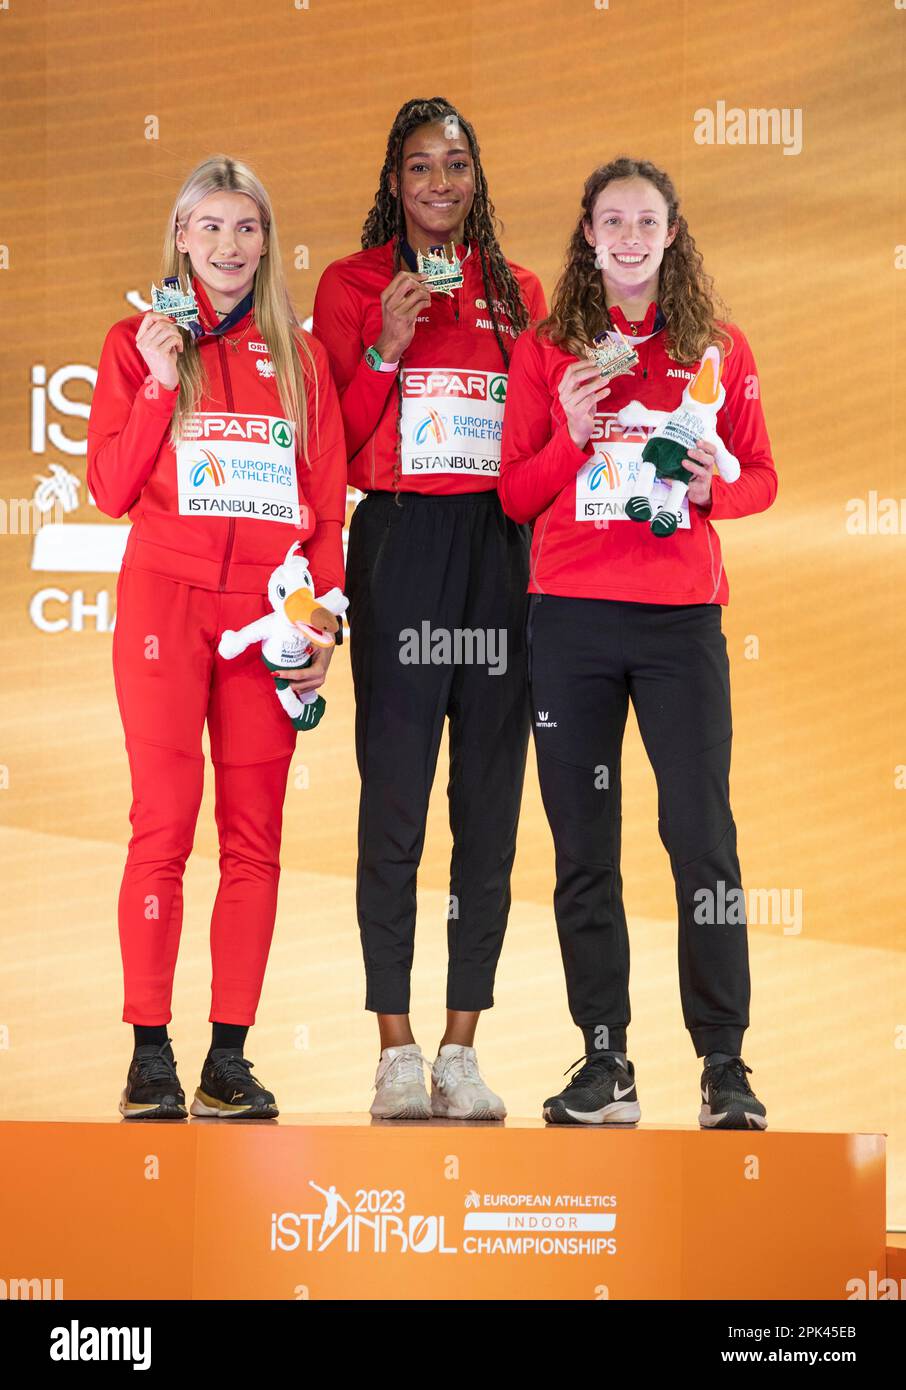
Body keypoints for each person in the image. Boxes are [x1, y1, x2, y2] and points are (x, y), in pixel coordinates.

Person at [499, 156, 776, 1130]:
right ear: (587, 232)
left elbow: (761, 479)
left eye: (644, 221)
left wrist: (710, 489)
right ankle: (605, 1061)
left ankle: (725, 1065)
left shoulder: (716, 347)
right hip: (570, 614)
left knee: (702, 840)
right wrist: (571, 430)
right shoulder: (548, 350)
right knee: (584, 847)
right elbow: (516, 495)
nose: (627, 237)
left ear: (670, 234)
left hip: (679, 620)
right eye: (610, 220)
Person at [88, 155, 347, 1120]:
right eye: (210, 227)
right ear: (180, 238)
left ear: (265, 242)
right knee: (162, 825)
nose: (229, 246)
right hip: (165, 608)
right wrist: (160, 383)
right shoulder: (134, 343)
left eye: (246, 228)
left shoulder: (306, 356)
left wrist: (323, 626)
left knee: (256, 842)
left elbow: (324, 512)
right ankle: (150, 1051)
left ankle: (227, 1057)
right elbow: (111, 489)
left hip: (266, 622)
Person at [313, 98, 546, 1120]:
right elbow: (336, 441)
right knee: (395, 798)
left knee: (489, 804)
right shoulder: (353, 283)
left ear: (476, 175)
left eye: (456, 164)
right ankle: (394, 1046)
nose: (439, 184)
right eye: (419, 167)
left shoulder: (522, 291)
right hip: (400, 542)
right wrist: (384, 347)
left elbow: (538, 444)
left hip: (500, 553)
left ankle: (461, 1047)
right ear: (394, 181)